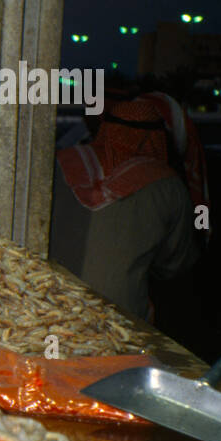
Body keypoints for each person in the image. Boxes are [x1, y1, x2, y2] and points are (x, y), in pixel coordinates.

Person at [48, 90, 205, 320]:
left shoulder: (58, 162)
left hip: (48, 304)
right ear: (158, 138)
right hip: (120, 321)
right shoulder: (168, 184)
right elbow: (174, 264)